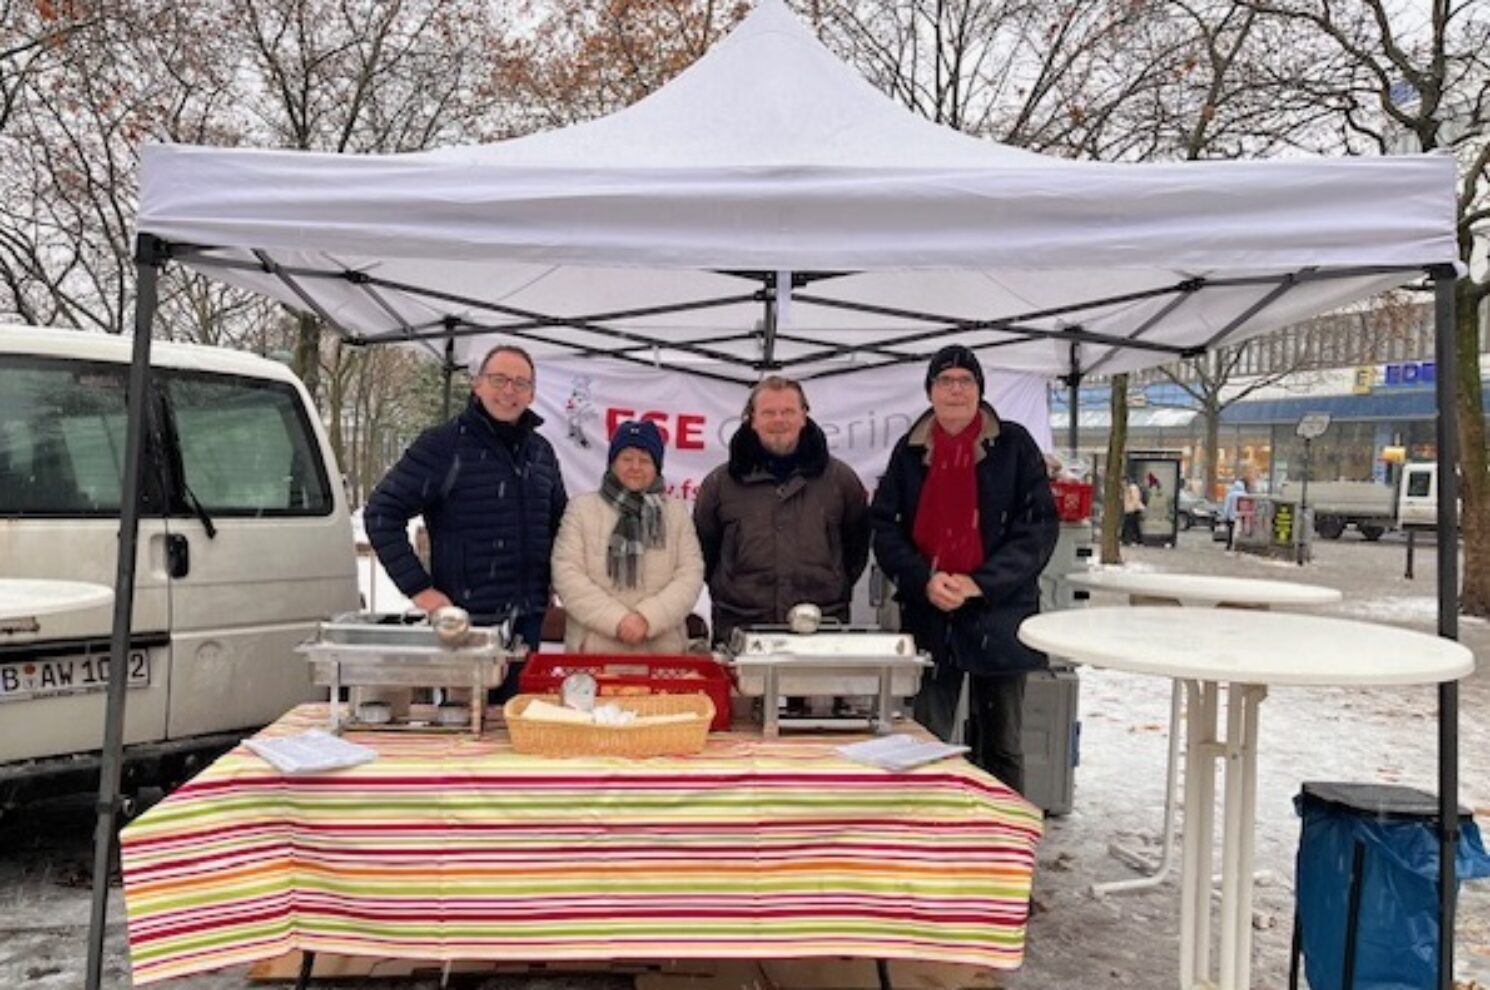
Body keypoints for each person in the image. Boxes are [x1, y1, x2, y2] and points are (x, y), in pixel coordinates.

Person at [870, 345, 1058, 794]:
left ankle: (1003, 842)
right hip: (930, 614)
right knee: (923, 741)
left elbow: (1037, 530)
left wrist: (979, 584)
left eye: (965, 380)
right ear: (930, 391)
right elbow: (885, 528)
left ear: (979, 390)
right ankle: (928, 838)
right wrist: (923, 580)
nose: (956, 390)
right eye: (945, 381)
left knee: (1003, 747)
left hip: (1002, 614)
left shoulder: (1014, 445)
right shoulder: (910, 451)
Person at [365, 344, 567, 678]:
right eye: (499, 379)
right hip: (466, 623)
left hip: (529, 620)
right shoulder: (442, 446)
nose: (508, 391)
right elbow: (381, 514)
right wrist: (420, 589)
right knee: (466, 722)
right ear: (478, 384)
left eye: (520, 383)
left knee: (516, 720)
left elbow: (559, 525)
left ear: (532, 394)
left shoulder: (541, 453)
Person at [693, 375, 871, 645]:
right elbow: (704, 550)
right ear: (752, 419)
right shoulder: (720, 484)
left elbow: (855, 550)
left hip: (821, 627)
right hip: (740, 627)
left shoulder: (841, 481)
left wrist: (831, 583)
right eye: (769, 412)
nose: (779, 420)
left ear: (804, 416)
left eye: (788, 411)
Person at [551, 420, 704, 653]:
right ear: (612, 463)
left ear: (657, 466)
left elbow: (690, 574)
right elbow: (567, 573)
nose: (635, 467)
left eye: (644, 460)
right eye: (626, 458)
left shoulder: (676, 513)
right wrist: (617, 620)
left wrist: (647, 619)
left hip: (662, 652)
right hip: (593, 650)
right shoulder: (581, 509)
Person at [1222, 468, 1255, 549]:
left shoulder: (1230, 494)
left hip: (1231, 516)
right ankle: (1238, 544)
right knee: (1239, 531)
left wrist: (1225, 515)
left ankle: (1229, 545)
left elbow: (1227, 506)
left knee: (1230, 531)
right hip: (1241, 516)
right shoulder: (1245, 495)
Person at [1122, 476, 1145, 545]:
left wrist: (1133, 508)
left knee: (1128, 525)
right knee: (1134, 525)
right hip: (1130, 509)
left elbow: (1135, 499)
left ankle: (1126, 539)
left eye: (1123, 481)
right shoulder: (1127, 488)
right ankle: (1138, 540)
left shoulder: (1132, 488)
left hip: (1132, 509)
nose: (1122, 483)